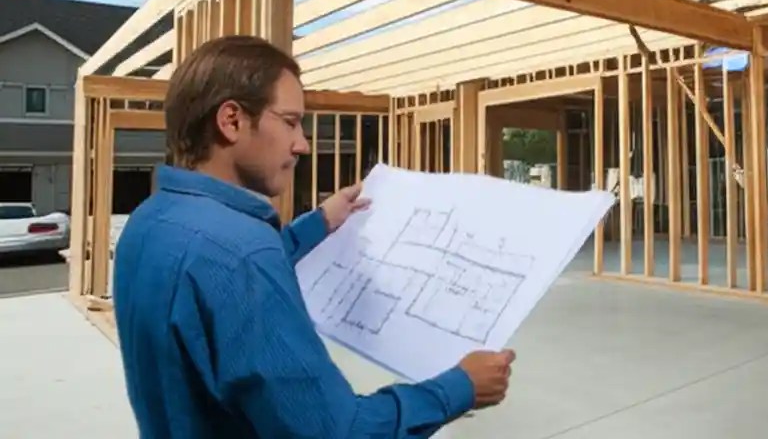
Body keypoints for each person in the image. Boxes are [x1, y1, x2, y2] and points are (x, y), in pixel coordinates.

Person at [112, 35, 515, 437]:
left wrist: (321, 220)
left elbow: (226, 289)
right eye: (289, 121)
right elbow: (337, 431)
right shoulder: (242, 254)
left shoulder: (150, 221)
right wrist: (460, 387)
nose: (302, 143)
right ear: (231, 120)